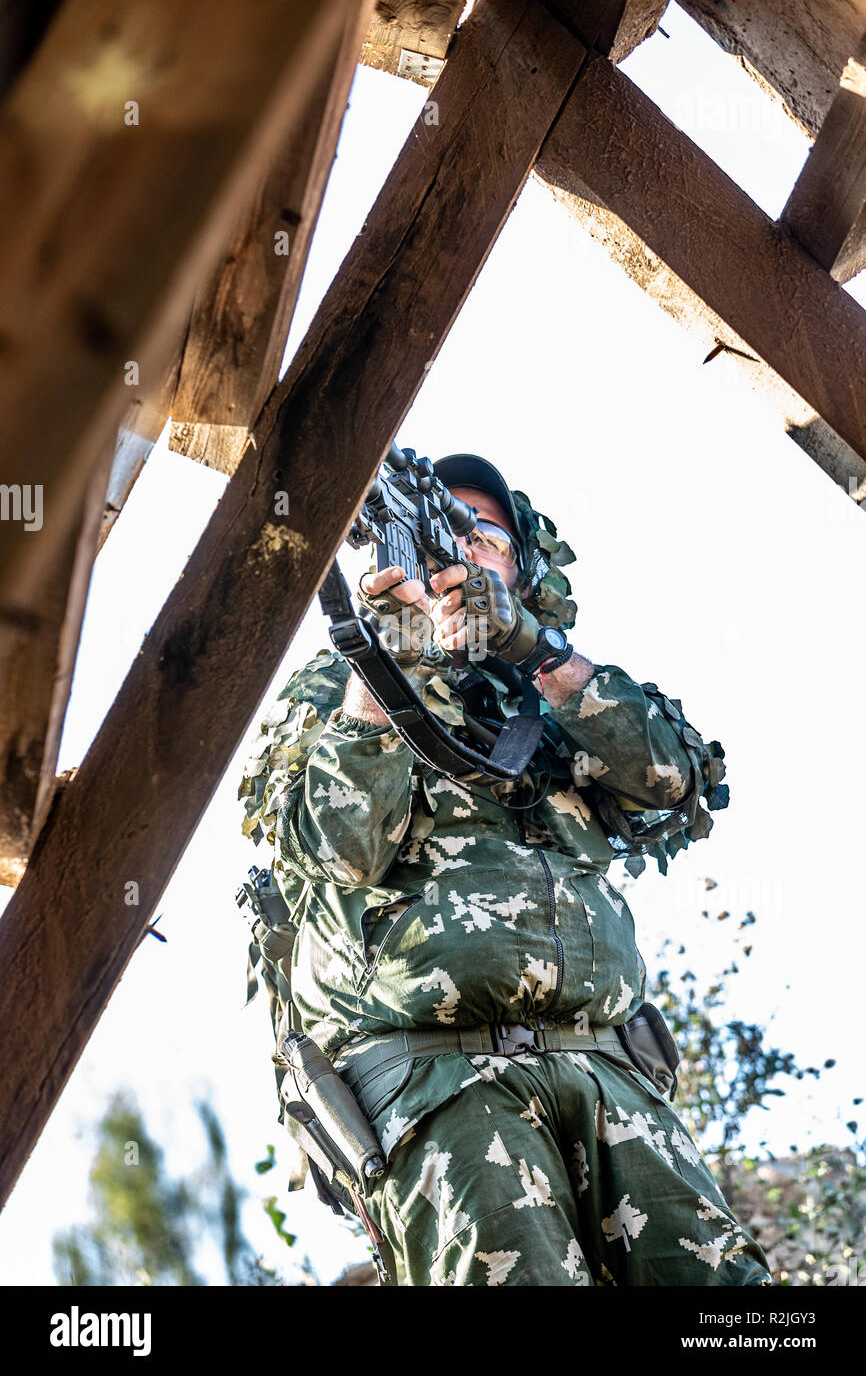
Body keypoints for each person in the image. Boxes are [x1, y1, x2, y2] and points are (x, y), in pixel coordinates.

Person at [239, 453, 772, 1287]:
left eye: (484, 533)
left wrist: (532, 648)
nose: (464, 547)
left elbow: (675, 782)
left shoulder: (555, 688)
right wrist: (390, 661)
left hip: (607, 1068)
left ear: (521, 564)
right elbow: (335, 851)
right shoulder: (338, 687)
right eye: (444, 529)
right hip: (439, 1075)